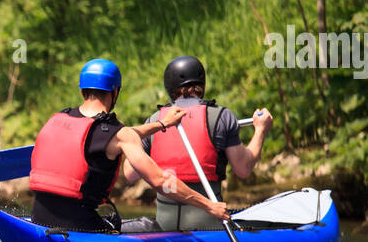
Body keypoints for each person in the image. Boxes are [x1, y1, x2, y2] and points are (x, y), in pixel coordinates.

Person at [29, 58, 231, 233]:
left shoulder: (58, 120)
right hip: (82, 228)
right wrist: (209, 206)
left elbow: (113, 137)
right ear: (115, 92)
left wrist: (161, 124)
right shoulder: (119, 134)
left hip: (39, 220)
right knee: (149, 226)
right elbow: (160, 180)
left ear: (82, 90)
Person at [125, 55, 272, 231]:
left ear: (169, 88)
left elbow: (129, 173)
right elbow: (243, 168)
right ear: (202, 84)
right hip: (210, 229)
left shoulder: (154, 122)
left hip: (165, 229)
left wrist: (137, 137)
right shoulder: (221, 117)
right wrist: (260, 131)